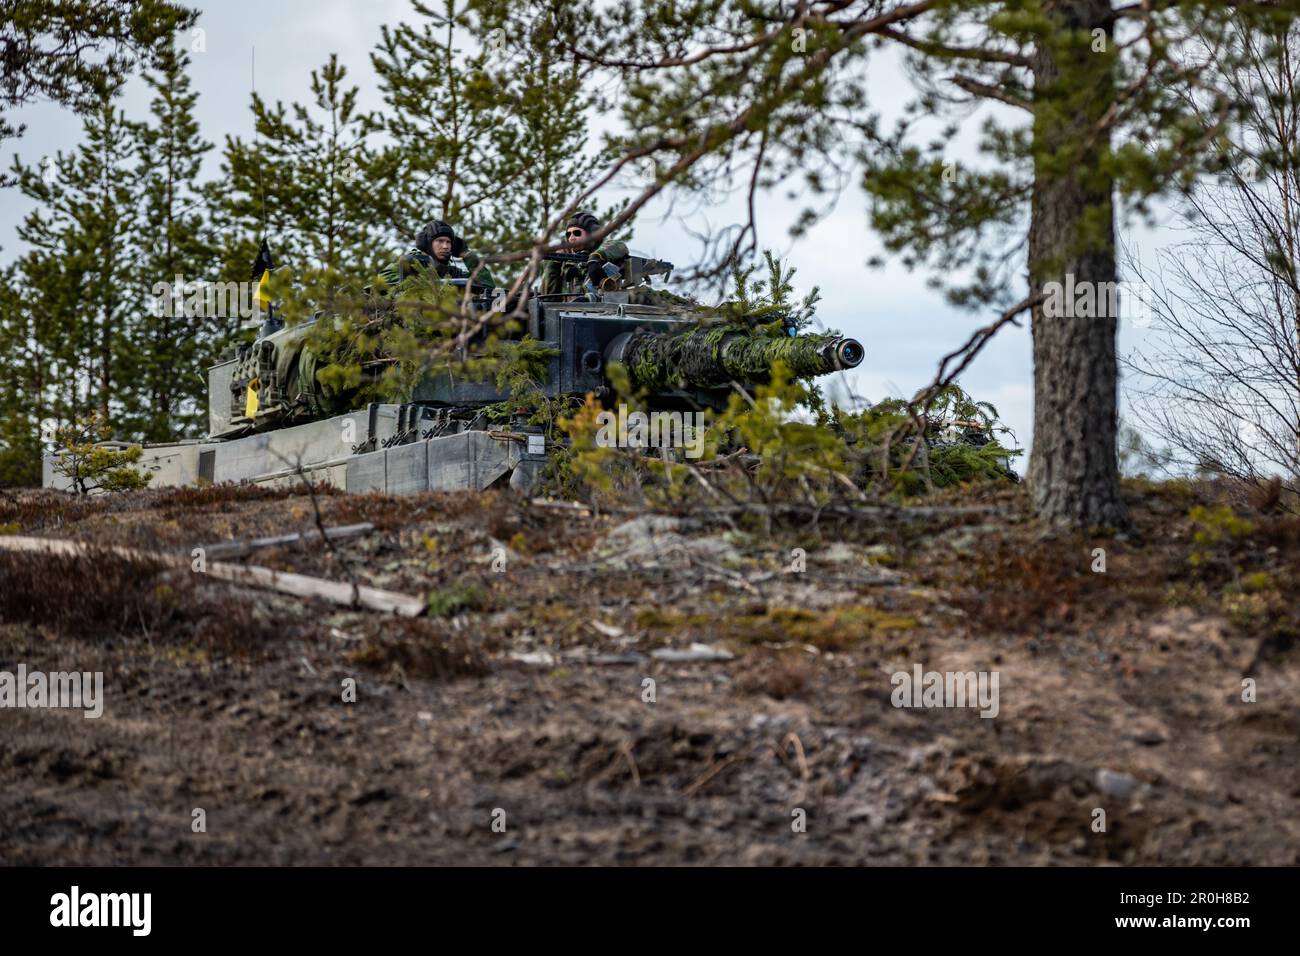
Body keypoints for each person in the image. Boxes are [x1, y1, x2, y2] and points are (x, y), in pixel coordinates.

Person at [378, 219, 497, 290]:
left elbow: (487, 285)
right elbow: (380, 281)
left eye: (448, 242)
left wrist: (467, 255)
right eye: (440, 241)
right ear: (427, 244)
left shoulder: (453, 273)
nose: (445, 246)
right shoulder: (410, 263)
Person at [540, 211, 629, 297]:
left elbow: (620, 246)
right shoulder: (566, 263)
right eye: (568, 234)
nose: (571, 238)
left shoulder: (604, 252)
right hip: (568, 310)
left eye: (577, 233)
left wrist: (595, 258)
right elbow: (548, 297)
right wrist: (554, 265)